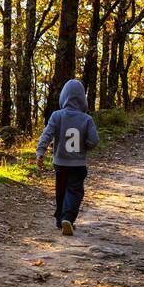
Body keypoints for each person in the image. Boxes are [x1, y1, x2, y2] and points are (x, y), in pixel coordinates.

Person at [35, 78, 99, 235]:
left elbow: (47, 134)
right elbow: (94, 140)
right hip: (77, 164)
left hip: (60, 162)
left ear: (63, 97)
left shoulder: (57, 116)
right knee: (75, 190)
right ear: (82, 99)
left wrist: (40, 152)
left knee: (61, 190)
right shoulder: (87, 119)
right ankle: (68, 218)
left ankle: (60, 219)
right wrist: (85, 146)